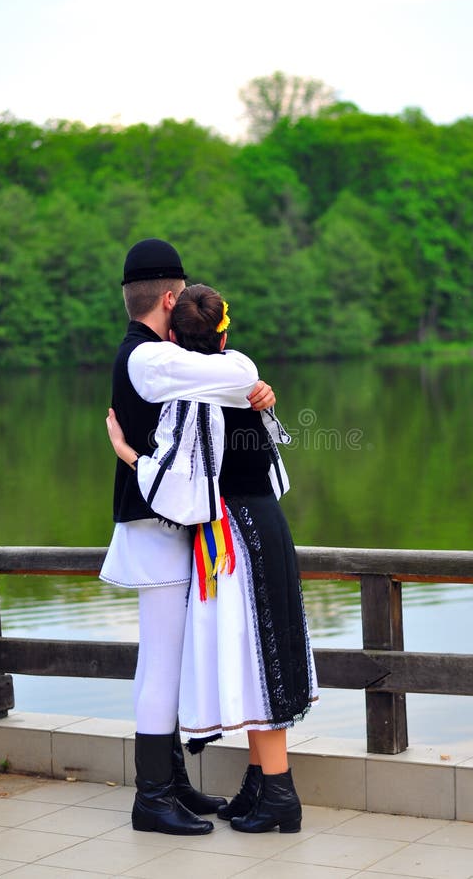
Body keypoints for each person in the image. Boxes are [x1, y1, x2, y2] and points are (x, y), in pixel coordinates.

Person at [107, 283, 318, 834]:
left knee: (258, 656)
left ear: (175, 338)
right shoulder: (243, 386)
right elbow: (277, 460)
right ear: (225, 333)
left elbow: (178, 481)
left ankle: (276, 792)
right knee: (266, 652)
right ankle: (264, 784)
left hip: (238, 534)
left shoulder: (195, 400)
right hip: (267, 521)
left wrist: (127, 453)